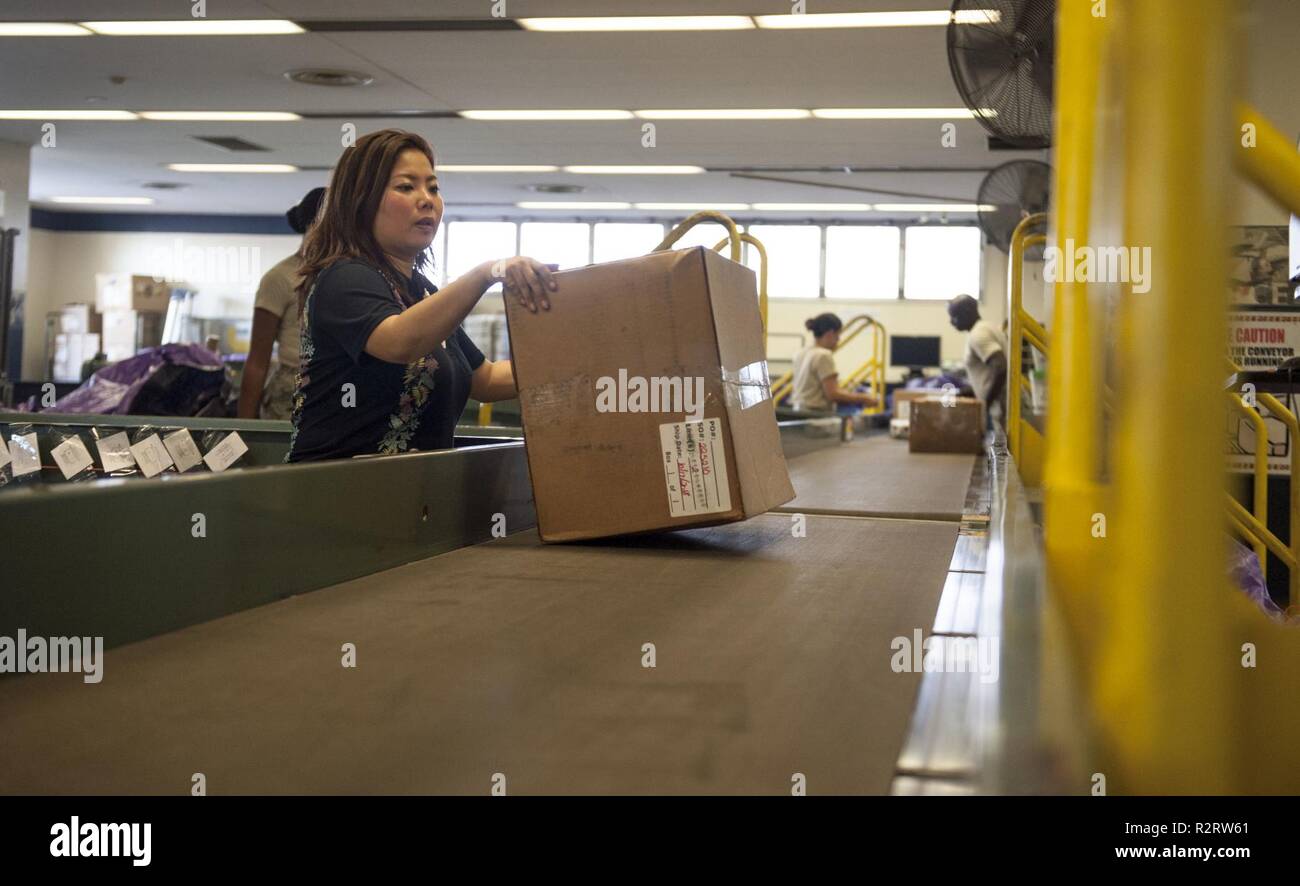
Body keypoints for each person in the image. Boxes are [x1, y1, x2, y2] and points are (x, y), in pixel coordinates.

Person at [285, 128, 555, 462]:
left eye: (433, 187)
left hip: (407, 492)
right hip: (337, 494)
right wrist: (486, 273)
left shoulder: (422, 291)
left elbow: (484, 379)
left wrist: (578, 363)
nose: (427, 198)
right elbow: (399, 342)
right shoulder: (345, 278)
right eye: (405, 186)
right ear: (361, 201)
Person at [237, 187, 325, 420]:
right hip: (290, 394)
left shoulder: (348, 276)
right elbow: (258, 359)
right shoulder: (281, 277)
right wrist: (245, 428)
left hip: (333, 388)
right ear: (311, 225)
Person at [790, 312, 878, 413]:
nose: (838, 340)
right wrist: (864, 398)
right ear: (830, 333)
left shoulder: (800, 353)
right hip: (816, 416)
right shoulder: (823, 355)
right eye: (838, 335)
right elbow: (833, 395)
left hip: (797, 412)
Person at [947, 294, 1007, 425]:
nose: (951, 322)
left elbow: (1000, 367)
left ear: (967, 312)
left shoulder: (978, 334)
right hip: (1000, 406)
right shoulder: (987, 327)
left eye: (954, 316)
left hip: (999, 408)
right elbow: (988, 373)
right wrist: (972, 391)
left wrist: (985, 403)